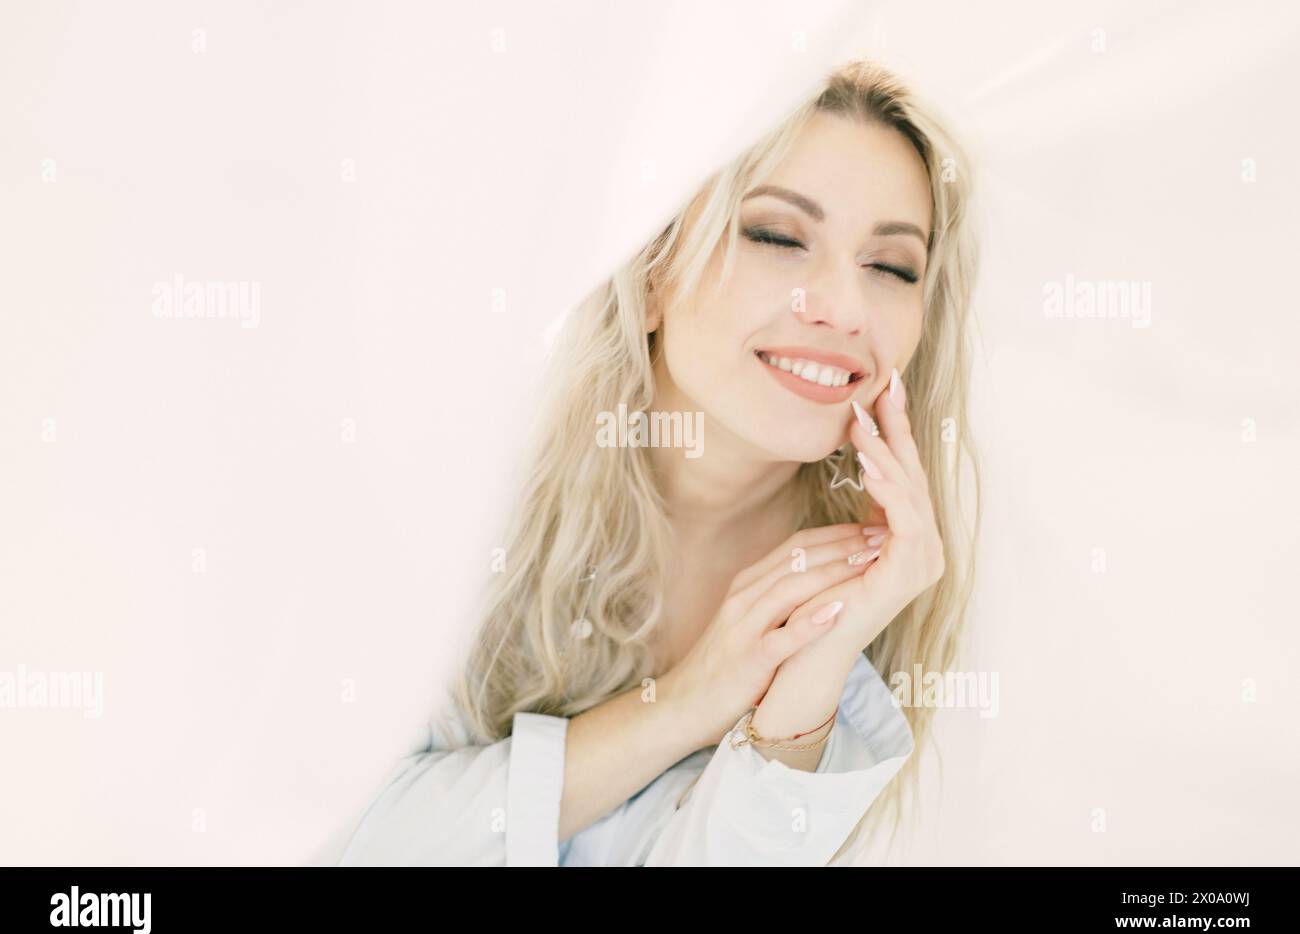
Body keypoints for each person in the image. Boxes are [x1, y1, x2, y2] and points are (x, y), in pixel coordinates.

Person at [338, 58, 981, 866]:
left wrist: (812, 673)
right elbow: (328, 842)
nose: (847, 310)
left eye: (890, 266)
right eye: (779, 237)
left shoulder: (889, 588)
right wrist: (683, 705)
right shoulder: (459, 501)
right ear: (649, 272)